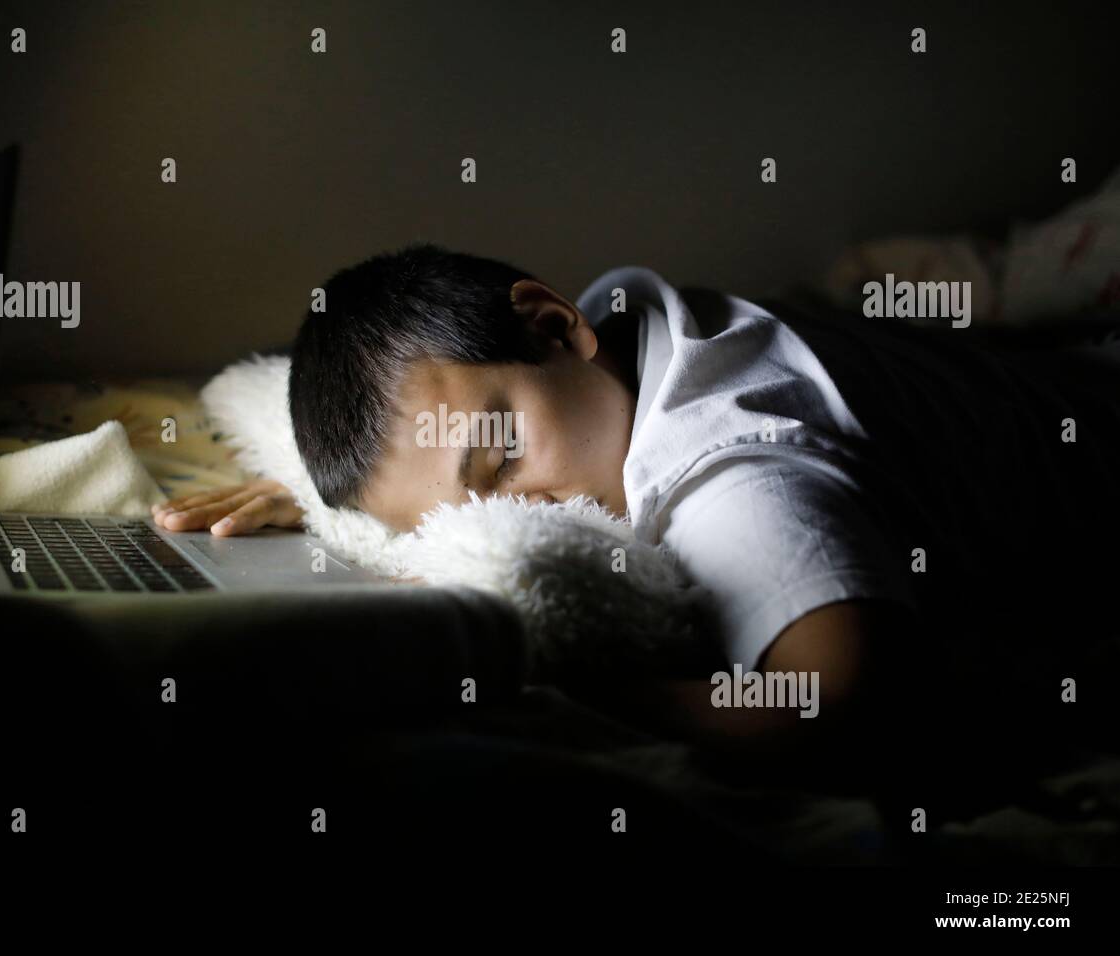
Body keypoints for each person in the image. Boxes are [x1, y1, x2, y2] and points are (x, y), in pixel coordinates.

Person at [152, 243, 1120, 766]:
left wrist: (573, 682)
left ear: (549, 323)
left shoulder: (734, 473)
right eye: (453, 514)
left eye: (501, 458)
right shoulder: (630, 325)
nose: (528, 510)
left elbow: (826, 697)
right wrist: (337, 507)